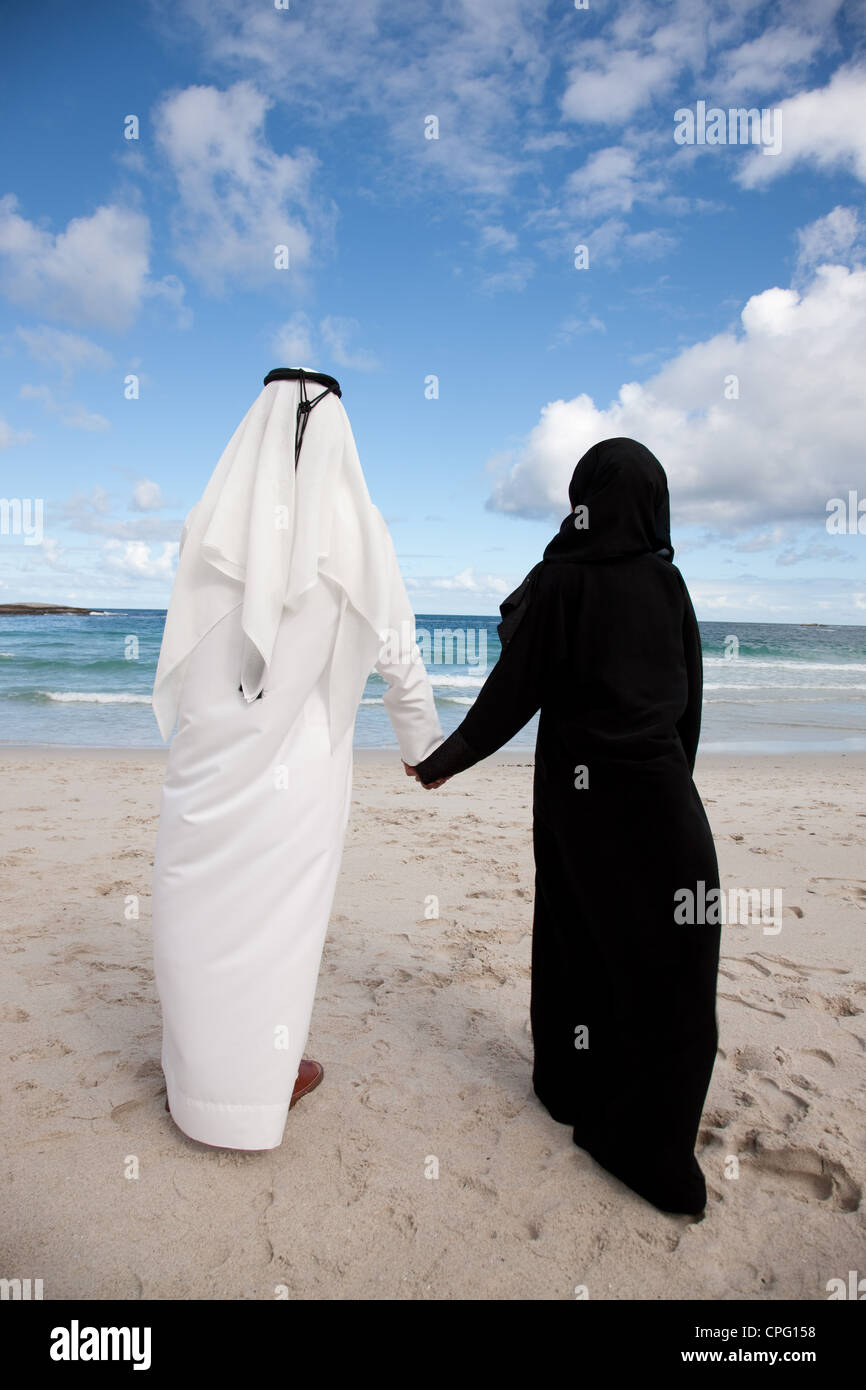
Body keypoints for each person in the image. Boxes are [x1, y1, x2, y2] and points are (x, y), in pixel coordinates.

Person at [410, 438, 721, 1216]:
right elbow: (688, 706)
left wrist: (445, 759)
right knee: (673, 976)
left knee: (579, 939)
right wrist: (675, 783)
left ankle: (574, 1089)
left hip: (584, 806)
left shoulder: (560, 581)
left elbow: (513, 691)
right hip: (668, 810)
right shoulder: (668, 583)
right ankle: (650, 1145)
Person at [151, 368, 443, 1150]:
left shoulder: (211, 516)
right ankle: (253, 1092)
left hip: (208, 762)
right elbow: (400, 655)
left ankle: (202, 1089)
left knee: (196, 912)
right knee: (275, 929)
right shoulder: (363, 532)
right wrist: (423, 748)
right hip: (300, 775)